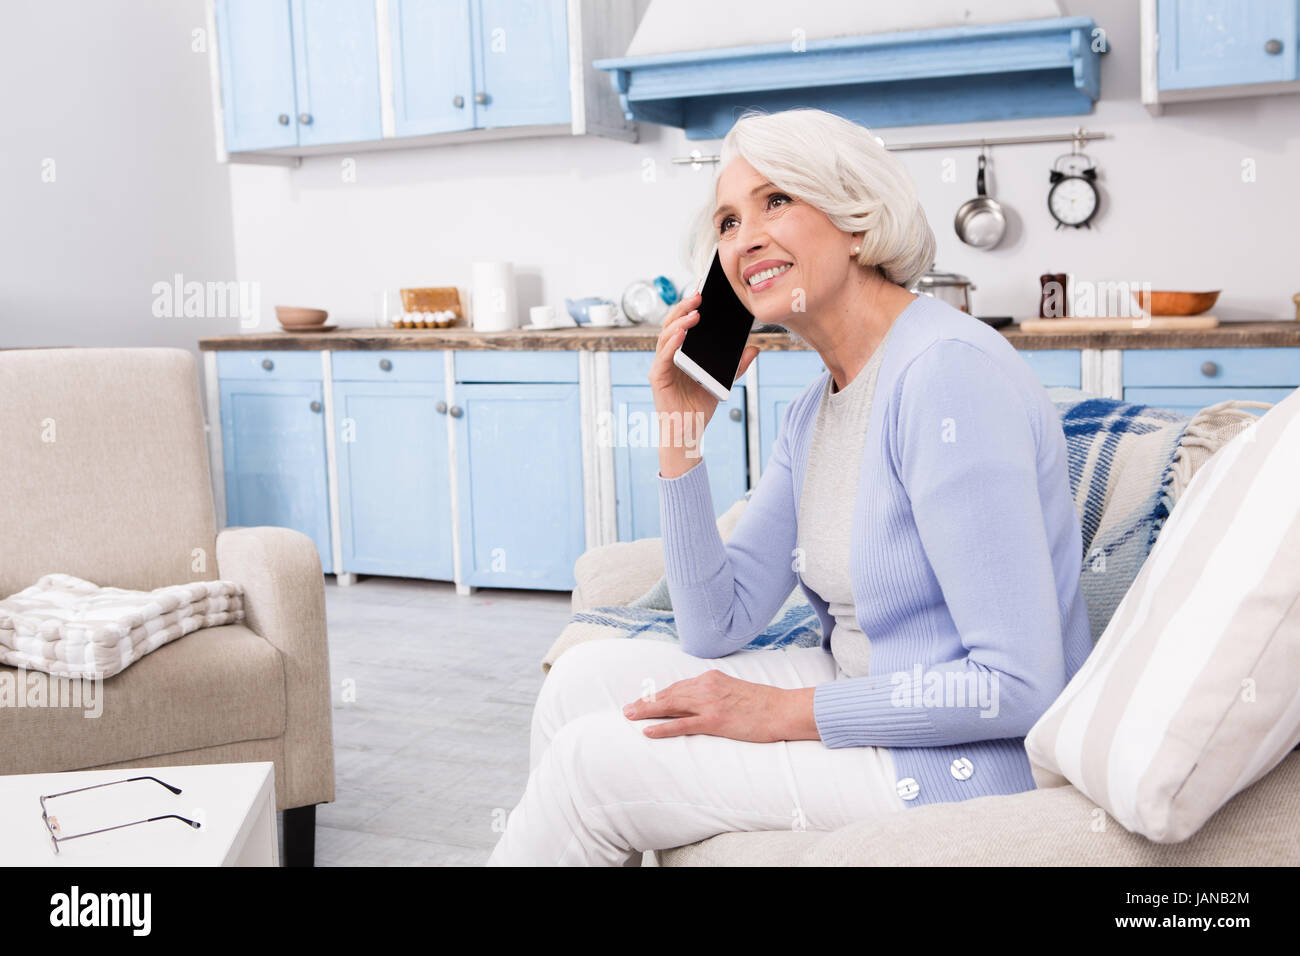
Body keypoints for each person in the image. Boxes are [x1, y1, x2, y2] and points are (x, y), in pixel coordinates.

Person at [486, 108, 1090, 867]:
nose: (745, 239)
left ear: (857, 223)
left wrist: (777, 712)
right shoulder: (815, 408)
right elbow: (716, 624)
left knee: (592, 768)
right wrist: (680, 432)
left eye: (777, 201)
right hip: (867, 686)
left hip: (965, 764)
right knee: (580, 681)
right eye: (728, 222)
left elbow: (1020, 685)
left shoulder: (946, 375)